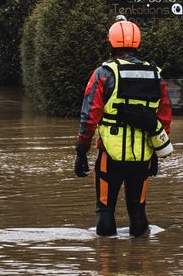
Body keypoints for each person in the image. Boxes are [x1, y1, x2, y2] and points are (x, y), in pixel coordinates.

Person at [74, 16, 173, 237]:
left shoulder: (104, 73)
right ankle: (140, 264)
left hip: (109, 154)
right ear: (137, 43)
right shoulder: (155, 74)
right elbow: (164, 116)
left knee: (105, 209)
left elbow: (90, 115)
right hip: (143, 155)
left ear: (110, 43)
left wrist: (81, 151)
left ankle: (106, 264)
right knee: (138, 211)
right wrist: (156, 152)